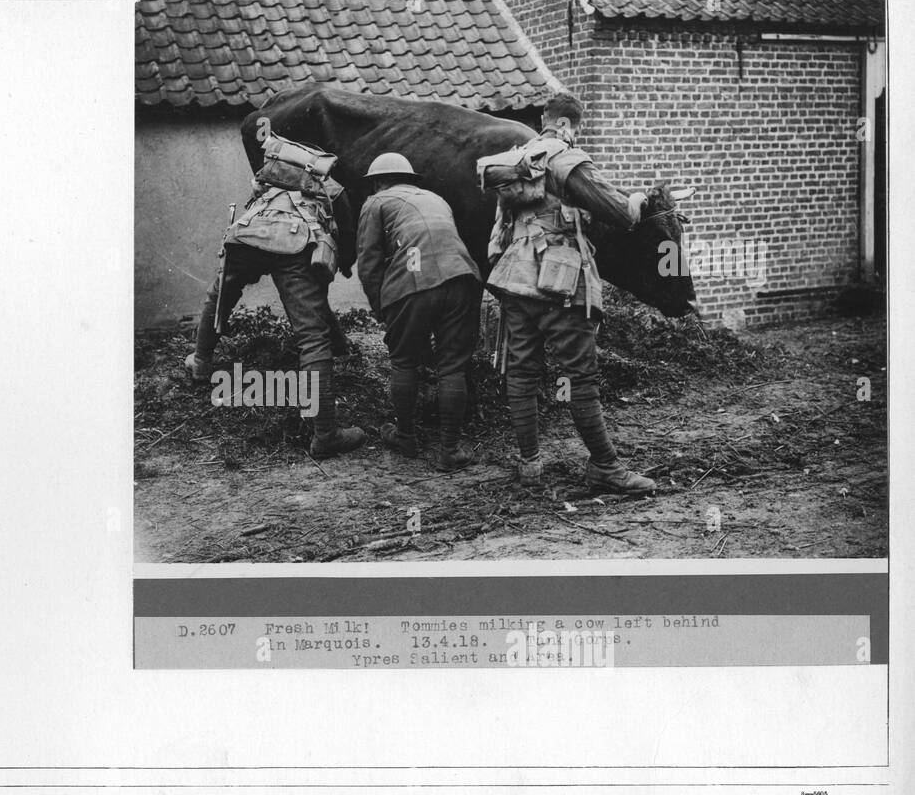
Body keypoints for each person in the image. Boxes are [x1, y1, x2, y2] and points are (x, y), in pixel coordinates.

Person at [478, 91, 656, 494]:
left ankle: (529, 466)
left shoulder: (519, 160)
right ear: (567, 126)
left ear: (544, 119)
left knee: (521, 372)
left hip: (514, 279)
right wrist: (641, 200)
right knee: (581, 377)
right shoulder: (565, 158)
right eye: (576, 129)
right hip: (558, 281)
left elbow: (499, 232)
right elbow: (620, 211)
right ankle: (605, 468)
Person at [185, 151, 365, 459]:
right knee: (312, 337)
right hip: (294, 245)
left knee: (220, 295)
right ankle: (326, 435)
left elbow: (252, 203)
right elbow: (345, 232)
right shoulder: (328, 183)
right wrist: (343, 260)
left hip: (247, 237)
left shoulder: (269, 173)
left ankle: (201, 362)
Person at [356, 153, 482, 471]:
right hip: (462, 278)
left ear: (377, 182)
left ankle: (406, 436)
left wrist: (380, 307)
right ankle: (450, 450)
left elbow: (369, 263)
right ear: (410, 178)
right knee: (452, 366)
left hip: (412, 281)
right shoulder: (435, 198)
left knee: (404, 361)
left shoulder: (376, 201)